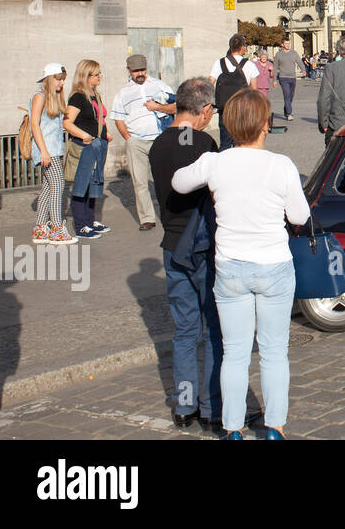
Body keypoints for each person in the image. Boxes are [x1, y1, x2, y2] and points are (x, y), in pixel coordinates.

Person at [172, 88, 309, 439]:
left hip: (231, 266)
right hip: (274, 264)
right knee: (274, 352)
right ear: (266, 124)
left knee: (234, 354)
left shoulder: (216, 161)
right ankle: (274, 426)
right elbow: (299, 214)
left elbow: (179, 181)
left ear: (230, 126)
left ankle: (232, 428)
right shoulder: (281, 165)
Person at [148, 76, 223, 432]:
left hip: (171, 243)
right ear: (204, 110)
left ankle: (183, 405)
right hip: (202, 245)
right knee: (213, 329)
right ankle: (212, 407)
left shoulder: (158, 145)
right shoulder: (205, 142)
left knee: (184, 330)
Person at [110, 54, 175, 231]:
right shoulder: (123, 92)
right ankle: (147, 218)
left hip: (159, 139)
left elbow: (176, 106)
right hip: (136, 141)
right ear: (128, 70)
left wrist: (158, 107)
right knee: (139, 182)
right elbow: (118, 118)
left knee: (164, 179)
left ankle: (170, 214)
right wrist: (128, 138)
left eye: (142, 70)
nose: (140, 73)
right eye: (136, 70)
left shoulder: (159, 85)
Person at [28, 63, 75, 245]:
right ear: (49, 78)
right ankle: (56, 229)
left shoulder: (53, 97)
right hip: (46, 149)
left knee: (48, 188)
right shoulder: (39, 96)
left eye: (63, 79)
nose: (61, 83)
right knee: (58, 185)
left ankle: (40, 229)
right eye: (58, 79)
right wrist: (44, 152)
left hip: (54, 149)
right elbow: (34, 125)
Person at [63, 59, 111, 240]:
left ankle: (90, 221)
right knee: (82, 186)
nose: (100, 76)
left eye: (100, 73)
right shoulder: (78, 96)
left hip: (98, 145)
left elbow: (99, 118)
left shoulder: (95, 95)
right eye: (96, 74)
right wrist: (83, 135)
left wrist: (106, 133)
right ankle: (81, 225)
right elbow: (67, 122)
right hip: (85, 147)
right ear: (86, 76)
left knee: (95, 184)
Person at [210, 34, 259, 150]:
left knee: (225, 143)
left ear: (230, 47)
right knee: (241, 143)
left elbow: (210, 82)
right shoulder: (250, 65)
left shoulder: (219, 63)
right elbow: (254, 90)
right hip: (242, 108)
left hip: (224, 108)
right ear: (242, 47)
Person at [273, 38, 306, 121]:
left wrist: (303, 70)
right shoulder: (278, 54)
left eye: (288, 43)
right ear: (282, 44)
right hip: (283, 77)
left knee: (291, 96)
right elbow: (275, 67)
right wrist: (274, 80)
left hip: (292, 78)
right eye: (286, 43)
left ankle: (286, 110)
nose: (288, 45)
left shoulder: (293, 53)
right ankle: (289, 113)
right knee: (287, 95)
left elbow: (299, 62)